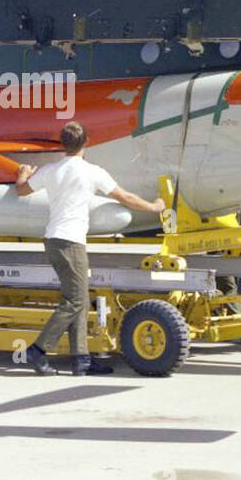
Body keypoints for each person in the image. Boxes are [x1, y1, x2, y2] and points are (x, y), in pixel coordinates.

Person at [15, 120, 165, 376]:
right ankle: (37, 350)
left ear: (63, 145)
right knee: (74, 302)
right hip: (71, 242)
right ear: (87, 143)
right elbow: (125, 198)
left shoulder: (52, 170)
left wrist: (23, 173)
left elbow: (21, 190)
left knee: (80, 300)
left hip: (54, 240)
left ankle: (81, 359)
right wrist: (155, 207)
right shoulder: (92, 172)